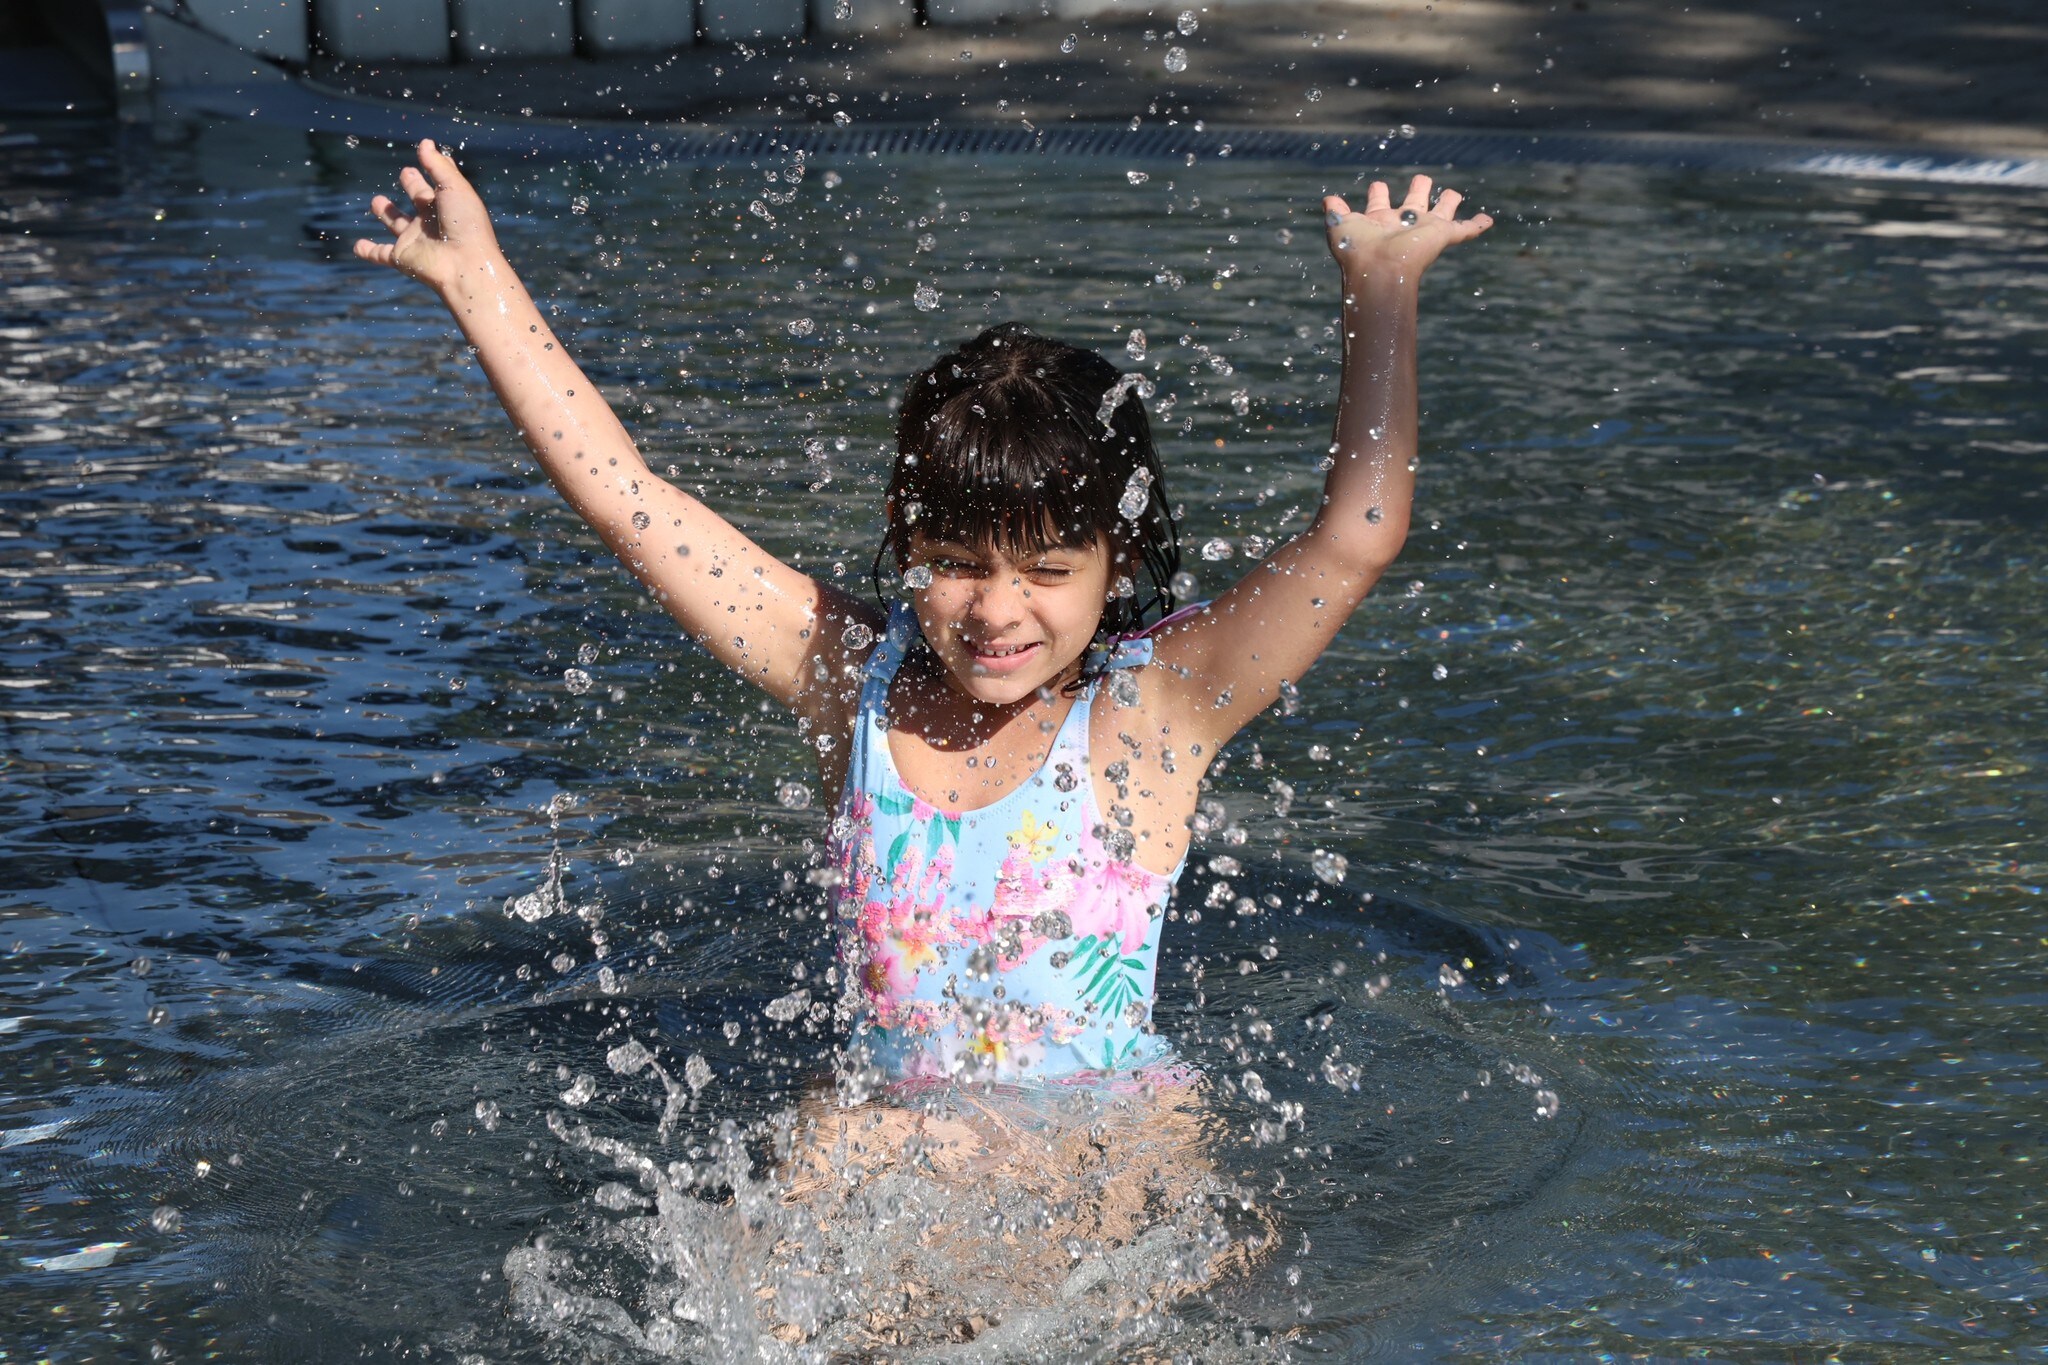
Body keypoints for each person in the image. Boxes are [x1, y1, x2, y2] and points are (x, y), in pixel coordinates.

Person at [353, 139, 1490, 1331]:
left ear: (1120, 561)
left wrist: (1380, 285)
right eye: (954, 566)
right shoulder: (853, 680)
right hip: (884, 1151)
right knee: (802, 1191)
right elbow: (631, 499)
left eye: (1049, 570)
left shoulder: (1153, 707)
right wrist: (478, 282)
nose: (997, 611)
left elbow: (1355, 534)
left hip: (1099, 1160)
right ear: (905, 546)